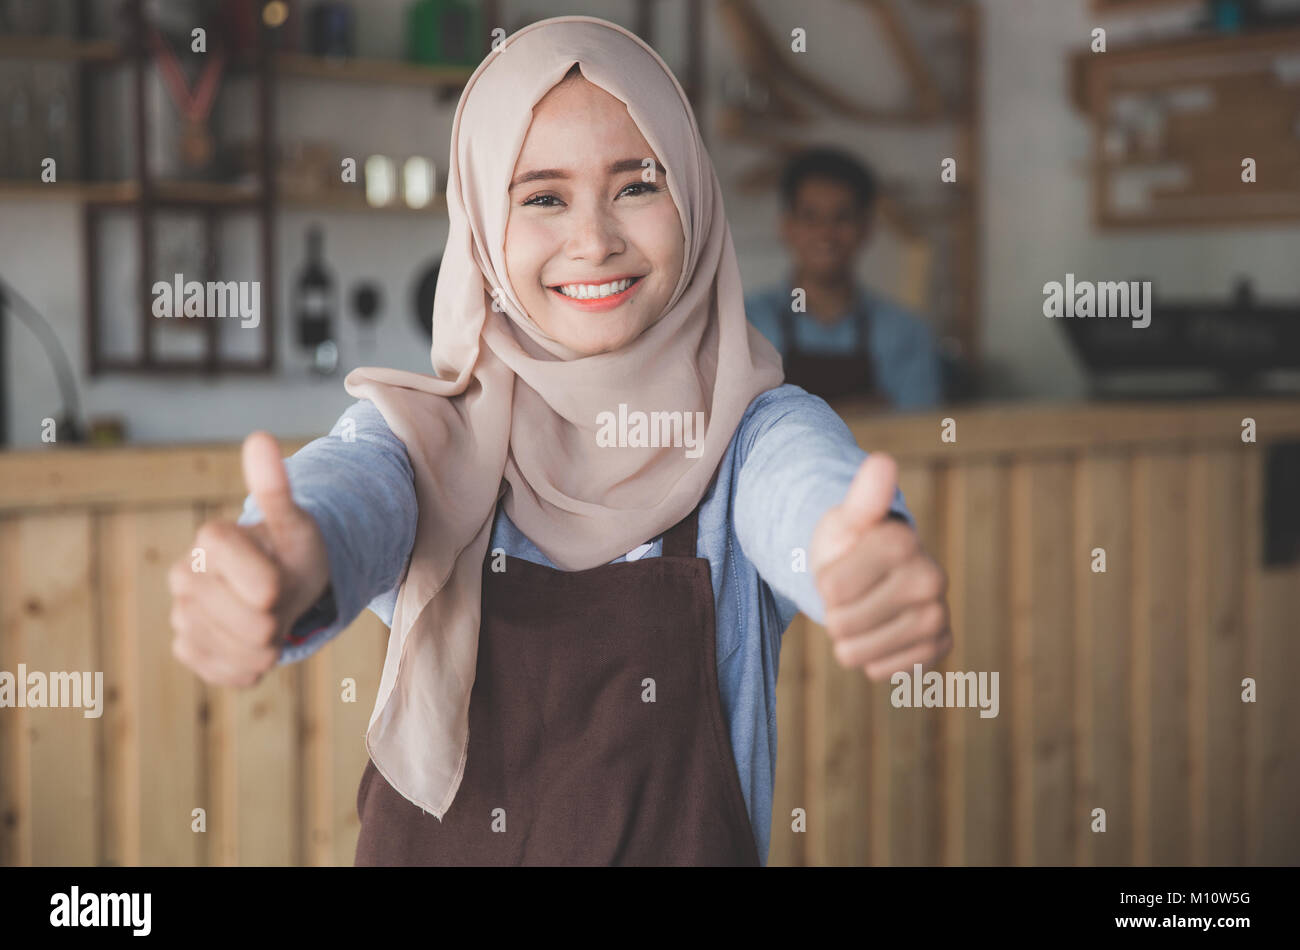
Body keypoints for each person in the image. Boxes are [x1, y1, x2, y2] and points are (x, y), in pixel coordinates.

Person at [165, 16, 952, 867]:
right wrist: (288, 561)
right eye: (543, 196)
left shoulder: (752, 434)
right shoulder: (422, 439)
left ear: (694, 194)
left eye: (637, 185)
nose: (594, 240)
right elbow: (348, 491)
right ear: (481, 227)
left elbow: (808, 492)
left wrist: (851, 555)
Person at [745, 147, 944, 409]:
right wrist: (869, 408)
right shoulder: (748, 323)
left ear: (866, 228)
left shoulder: (905, 332)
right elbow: (737, 425)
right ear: (787, 226)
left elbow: (921, 432)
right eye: (810, 217)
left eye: (842, 218)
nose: (826, 234)